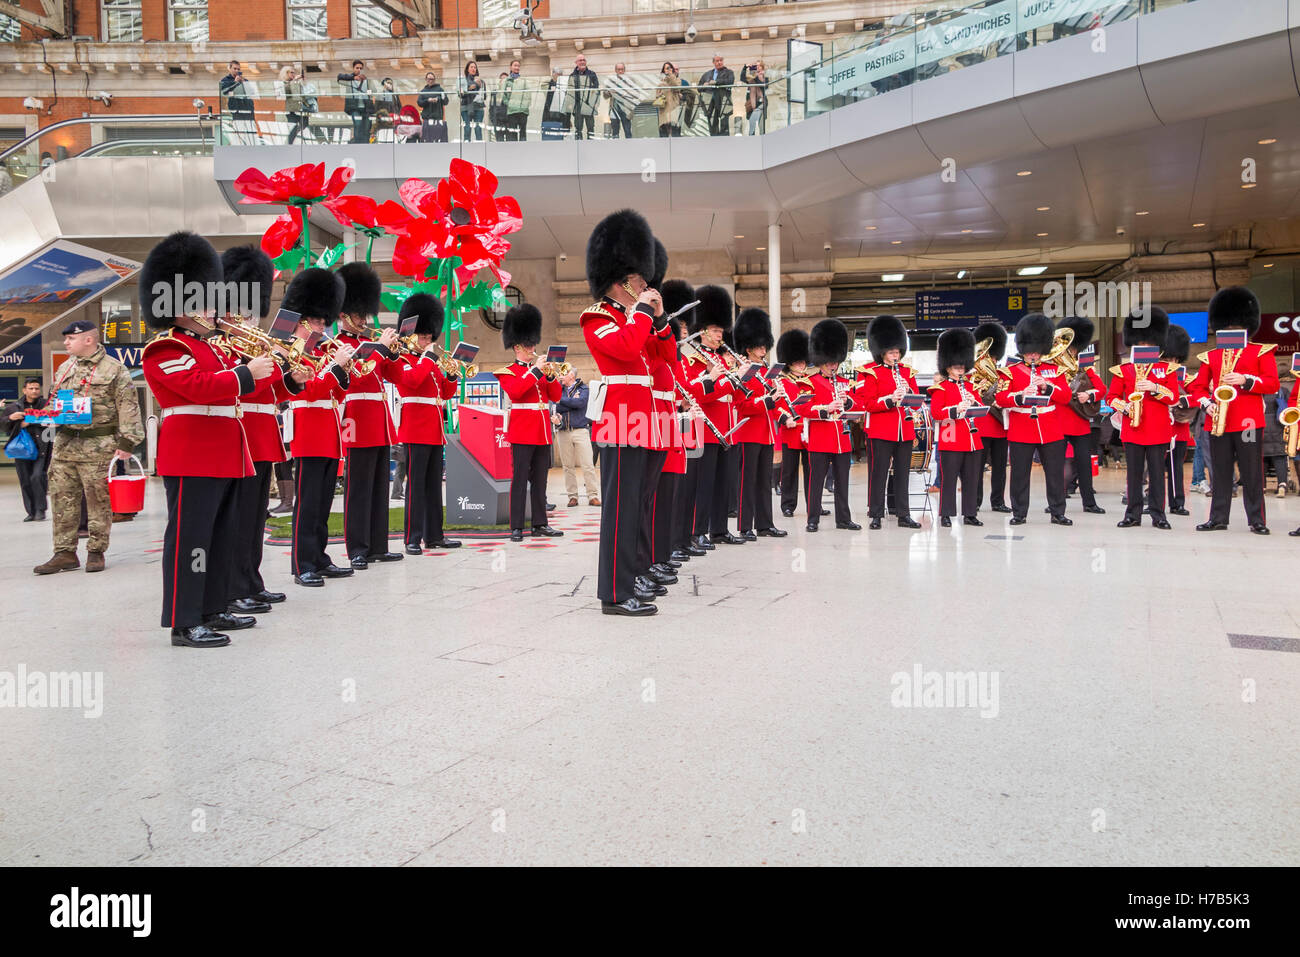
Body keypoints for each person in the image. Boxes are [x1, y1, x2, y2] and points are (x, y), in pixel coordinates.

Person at [139, 232, 272, 647]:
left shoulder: (211, 347)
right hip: (193, 452)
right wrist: (249, 373)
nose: (214, 310)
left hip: (225, 452)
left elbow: (236, 385)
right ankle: (184, 619)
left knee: (219, 536)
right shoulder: (164, 347)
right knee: (190, 539)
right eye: (204, 301)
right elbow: (199, 387)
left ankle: (213, 608)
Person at [580, 208, 667, 616]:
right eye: (638, 280)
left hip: (645, 422)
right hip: (620, 422)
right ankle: (613, 594)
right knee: (618, 511)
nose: (644, 285)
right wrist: (645, 314)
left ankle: (631, 577)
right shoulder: (596, 317)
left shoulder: (634, 317)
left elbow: (663, 355)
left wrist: (659, 319)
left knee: (637, 505)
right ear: (620, 282)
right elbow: (628, 349)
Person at [218, 246, 306, 614]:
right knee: (236, 518)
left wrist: (294, 379)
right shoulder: (219, 342)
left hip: (262, 431)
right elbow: (230, 383)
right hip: (238, 433)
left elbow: (271, 389)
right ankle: (231, 586)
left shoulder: (252, 339)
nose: (244, 316)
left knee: (256, 517)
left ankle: (252, 582)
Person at [33, 320, 144, 576]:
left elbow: (128, 406)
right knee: (62, 498)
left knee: (98, 501)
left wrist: (127, 443)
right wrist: (42, 415)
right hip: (65, 445)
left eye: (70, 339)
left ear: (88, 340)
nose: (65, 343)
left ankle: (96, 551)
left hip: (99, 446)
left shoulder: (115, 370)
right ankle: (64, 552)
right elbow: (55, 402)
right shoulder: (64, 367)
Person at [281, 269, 355, 587]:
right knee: (307, 502)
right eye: (317, 321)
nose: (322, 327)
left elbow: (336, 393)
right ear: (301, 321)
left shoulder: (318, 353)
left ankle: (320, 557)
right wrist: (335, 367)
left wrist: (343, 371)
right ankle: (302, 563)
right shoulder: (290, 351)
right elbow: (308, 390)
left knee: (323, 503)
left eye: (324, 322)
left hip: (327, 433)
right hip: (308, 433)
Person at [1188, 286, 1278, 534]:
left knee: (1252, 473)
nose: (1230, 330)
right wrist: (1207, 404)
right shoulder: (1211, 356)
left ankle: (1257, 520)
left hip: (1248, 421)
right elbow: (1196, 388)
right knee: (1219, 472)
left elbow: (1272, 383)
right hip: (1218, 421)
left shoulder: (1260, 351)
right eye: (1226, 326)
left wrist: (1246, 380)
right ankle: (1218, 518)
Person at [334, 263, 403, 568]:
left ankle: (377, 545)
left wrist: (394, 351)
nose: (364, 320)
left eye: (365, 314)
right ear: (343, 315)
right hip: (357, 419)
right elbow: (357, 378)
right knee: (358, 489)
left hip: (378, 419)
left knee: (378, 488)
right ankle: (357, 548)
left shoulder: (368, 344)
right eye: (358, 314)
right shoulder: (336, 345)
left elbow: (393, 374)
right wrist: (379, 351)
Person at [392, 294, 461, 554]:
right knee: (416, 487)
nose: (427, 341)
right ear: (410, 336)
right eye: (422, 337)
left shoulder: (428, 362)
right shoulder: (404, 360)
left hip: (433, 430)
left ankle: (435, 535)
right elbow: (412, 383)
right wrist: (429, 359)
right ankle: (412, 537)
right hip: (414, 429)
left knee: (433, 487)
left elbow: (444, 393)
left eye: (429, 337)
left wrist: (452, 375)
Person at [994, 313, 1072, 526]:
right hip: (1022, 427)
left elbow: (1065, 397)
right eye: (1029, 352)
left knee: (1055, 474)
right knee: (1020, 475)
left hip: (1050, 428)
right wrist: (1020, 396)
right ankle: (1019, 513)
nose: (1033, 355)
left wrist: (1048, 386)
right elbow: (1000, 398)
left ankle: (1058, 512)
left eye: (1036, 351)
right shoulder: (1009, 372)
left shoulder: (1055, 371)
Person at [496, 304, 564, 542]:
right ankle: (516, 526)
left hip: (542, 431)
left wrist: (552, 374)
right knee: (519, 480)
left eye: (533, 344)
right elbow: (516, 393)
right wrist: (535, 371)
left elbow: (555, 396)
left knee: (540, 481)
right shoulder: (507, 371)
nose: (532, 349)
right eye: (528, 345)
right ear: (516, 347)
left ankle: (539, 523)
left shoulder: (541, 371)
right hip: (522, 432)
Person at [685, 285, 745, 546]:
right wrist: (723, 380)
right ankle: (698, 530)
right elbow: (697, 395)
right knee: (705, 484)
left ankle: (720, 529)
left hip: (728, 428)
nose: (720, 335)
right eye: (716, 330)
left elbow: (736, 397)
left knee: (724, 484)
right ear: (703, 332)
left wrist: (742, 377)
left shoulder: (725, 360)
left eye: (722, 331)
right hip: (708, 430)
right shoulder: (694, 362)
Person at [1107, 307, 1176, 530]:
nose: (1144, 346)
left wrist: (1156, 387)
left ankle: (1159, 515)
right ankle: (1132, 515)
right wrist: (1124, 406)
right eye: (1141, 343)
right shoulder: (1124, 370)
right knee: (1134, 476)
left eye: (1149, 343)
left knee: (1157, 476)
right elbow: (1111, 397)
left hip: (1157, 430)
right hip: (1133, 429)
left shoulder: (1166, 369)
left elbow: (1173, 397)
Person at [856, 315, 922, 530]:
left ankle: (904, 514)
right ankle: (875, 513)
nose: (896, 355)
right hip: (881, 431)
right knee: (879, 474)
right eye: (891, 352)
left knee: (903, 475)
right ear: (882, 352)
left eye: (898, 351)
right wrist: (890, 400)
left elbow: (916, 401)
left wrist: (910, 394)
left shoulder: (907, 372)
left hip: (905, 430)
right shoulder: (870, 373)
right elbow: (869, 404)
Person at [732, 308, 792, 539]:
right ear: (748, 348)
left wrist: (781, 406)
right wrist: (767, 401)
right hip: (748, 433)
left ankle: (765, 524)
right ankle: (745, 526)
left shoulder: (768, 373)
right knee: (747, 483)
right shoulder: (742, 371)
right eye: (759, 347)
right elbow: (742, 406)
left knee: (764, 483)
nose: (763, 350)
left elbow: (772, 407)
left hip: (766, 434)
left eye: (764, 346)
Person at [803, 319, 859, 531]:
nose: (833, 365)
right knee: (816, 483)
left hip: (842, 440)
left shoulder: (845, 383)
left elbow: (858, 405)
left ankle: (843, 519)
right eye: (829, 362)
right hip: (820, 439)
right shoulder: (810, 383)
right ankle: (812, 519)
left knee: (842, 483)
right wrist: (825, 408)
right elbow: (803, 409)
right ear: (821, 361)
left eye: (835, 362)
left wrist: (848, 402)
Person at [928, 328, 984, 528]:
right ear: (948, 367)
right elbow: (936, 414)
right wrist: (955, 409)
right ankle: (946, 513)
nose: (960, 368)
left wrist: (974, 404)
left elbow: (981, 411)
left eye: (962, 365)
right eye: (956, 365)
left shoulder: (971, 387)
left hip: (972, 440)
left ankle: (970, 514)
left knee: (971, 480)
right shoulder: (940, 388)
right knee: (948, 481)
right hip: (951, 440)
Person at [1055, 316, 1106, 515]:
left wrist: (1089, 394)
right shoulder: (1053, 365)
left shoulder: (1085, 366)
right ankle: (1056, 502)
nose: (1071, 351)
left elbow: (1102, 389)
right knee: (1056, 465)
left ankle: (1089, 502)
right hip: (1059, 420)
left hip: (1079, 422)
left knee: (1084, 464)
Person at [972, 321, 1010, 514]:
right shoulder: (973, 375)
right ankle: (975, 501)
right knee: (977, 468)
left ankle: (998, 501)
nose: (991, 361)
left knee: (1000, 468)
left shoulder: (1003, 373)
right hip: (981, 425)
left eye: (993, 357)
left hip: (1001, 426)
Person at [775, 330, 813, 520]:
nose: (802, 366)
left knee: (812, 471)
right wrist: (785, 419)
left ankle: (813, 504)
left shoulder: (809, 382)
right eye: (798, 363)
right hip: (791, 430)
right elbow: (778, 405)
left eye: (803, 362)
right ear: (789, 364)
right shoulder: (781, 382)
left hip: (808, 431)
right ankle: (788, 504)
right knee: (789, 471)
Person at [4, 376, 49, 521]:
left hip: (42, 447)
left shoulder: (46, 405)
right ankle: (31, 511)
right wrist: (12, 418)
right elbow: (3, 425)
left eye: (37, 388)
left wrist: (29, 423)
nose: (34, 391)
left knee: (37, 477)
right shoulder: (14, 407)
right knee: (25, 480)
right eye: (31, 388)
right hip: (21, 449)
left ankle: (40, 510)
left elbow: (53, 422)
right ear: (24, 389)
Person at [553, 368, 599, 507]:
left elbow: (580, 404)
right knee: (567, 466)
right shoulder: (558, 388)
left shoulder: (584, 388)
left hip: (581, 430)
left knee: (588, 465)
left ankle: (593, 496)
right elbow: (556, 406)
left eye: (564, 374)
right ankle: (572, 496)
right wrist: (570, 402)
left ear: (571, 375)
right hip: (563, 431)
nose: (561, 377)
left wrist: (562, 401)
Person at [1162, 324, 1195, 515]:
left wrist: (1180, 400)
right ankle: (1155, 502)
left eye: (1173, 358)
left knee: (1176, 470)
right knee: (1155, 469)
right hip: (1158, 428)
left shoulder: (1186, 378)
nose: (1171, 361)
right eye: (1167, 358)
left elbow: (1196, 397)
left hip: (1179, 431)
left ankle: (1177, 503)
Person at [337, 59, 374, 145]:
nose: (359, 70)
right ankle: (358, 144)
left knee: (367, 127)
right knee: (357, 124)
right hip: (354, 107)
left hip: (366, 108)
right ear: (353, 68)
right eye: (357, 68)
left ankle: (365, 144)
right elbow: (339, 77)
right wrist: (353, 77)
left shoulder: (366, 80)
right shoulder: (349, 79)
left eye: (361, 68)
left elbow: (373, 91)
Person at [220, 60, 256, 145]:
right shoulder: (225, 80)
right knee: (239, 131)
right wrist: (235, 82)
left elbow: (252, 92)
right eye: (234, 68)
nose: (236, 71)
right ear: (229, 69)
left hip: (247, 108)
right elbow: (224, 91)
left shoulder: (244, 80)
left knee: (251, 131)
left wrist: (244, 83)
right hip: (236, 109)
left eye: (238, 69)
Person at [698, 53, 735, 136]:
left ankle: (725, 143)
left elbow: (730, 82)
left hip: (723, 101)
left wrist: (716, 82)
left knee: (724, 125)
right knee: (712, 125)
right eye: (717, 61)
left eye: (721, 60)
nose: (719, 62)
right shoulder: (707, 74)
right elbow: (699, 88)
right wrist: (703, 86)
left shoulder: (729, 72)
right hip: (710, 103)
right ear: (713, 62)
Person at [569, 54, 600, 140]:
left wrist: (595, 104)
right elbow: (570, 91)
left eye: (584, 60)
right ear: (576, 63)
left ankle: (591, 147)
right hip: (577, 106)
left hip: (589, 105)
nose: (582, 62)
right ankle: (579, 148)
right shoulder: (572, 76)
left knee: (591, 128)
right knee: (578, 129)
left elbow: (596, 89)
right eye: (580, 60)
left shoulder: (592, 74)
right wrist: (571, 107)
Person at [656, 61, 691, 137]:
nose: (668, 70)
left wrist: (671, 75)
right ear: (663, 71)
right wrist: (660, 94)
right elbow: (657, 96)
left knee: (675, 133)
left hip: (673, 110)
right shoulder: (661, 82)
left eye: (670, 68)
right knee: (664, 134)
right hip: (664, 110)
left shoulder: (677, 80)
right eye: (666, 68)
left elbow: (676, 88)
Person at [500, 60, 532, 141]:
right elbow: (502, 95)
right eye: (515, 65)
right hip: (512, 111)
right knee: (512, 133)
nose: (517, 67)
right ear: (511, 67)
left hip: (523, 111)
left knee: (523, 133)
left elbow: (528, 95)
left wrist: (524, 106)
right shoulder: (506, 81)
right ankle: (513, 151)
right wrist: (510, 104)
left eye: (518, 66)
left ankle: (523, 151)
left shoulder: (524, 80)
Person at [603, 62, 636, 138]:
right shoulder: (611, 81)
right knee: (615, 132)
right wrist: (609, 92)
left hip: (626, 108)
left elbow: (636, 94)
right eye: (618, 69)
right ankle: (615, 148)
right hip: (614, 108)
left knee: (627, 131)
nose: (620, 71)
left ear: (624, 70)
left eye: (622, 69)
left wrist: (627, 92)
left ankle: (629, 147)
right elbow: (605, 95)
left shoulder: (630, 80)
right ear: (615, 70)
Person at [417, 71, 449, 143]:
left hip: (438, 118)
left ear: (434, 80)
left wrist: (438, 99)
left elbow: (446, 101)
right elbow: (419, 103)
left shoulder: (440, 89)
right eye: (428, 79)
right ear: (426, 80)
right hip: (426, 119)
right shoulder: (423, 91)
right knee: (427, 139)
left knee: (438, 138)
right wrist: (427, 100)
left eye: (432, 79)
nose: (430, 81)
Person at [281, 66, 309, 145]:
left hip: (299, 108)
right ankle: (289, 143)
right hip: (291, 110)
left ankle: (291, 141)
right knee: (293, 127)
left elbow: (300, 94)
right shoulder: (285, 82)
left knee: (305, 123)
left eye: (294, 72)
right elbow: (286, 90)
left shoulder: (295, 82)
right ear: (287, 73)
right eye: (291, 72)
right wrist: (294, 80)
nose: (293, 74)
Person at [740, 60, 768, 135]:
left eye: (759, 66)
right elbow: (742, 78)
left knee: (761, 124)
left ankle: (762, 140)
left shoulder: (765, 77)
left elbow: (765, 86)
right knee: (751, 124)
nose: (757, 67)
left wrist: (759, 76)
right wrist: (745, 68)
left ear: (762, 68)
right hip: (751, 103)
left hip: (761, 103)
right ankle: (751, 141)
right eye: (756, 66)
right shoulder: (751, 78)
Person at [460, 61, 485, 141]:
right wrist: (468, 89)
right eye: (471, 67)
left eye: (475, 67)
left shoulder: (481, 81)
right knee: (467, 129)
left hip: (478, 107)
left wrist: (480, 86)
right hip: (466, 107)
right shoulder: (463, 81)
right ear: (467, 69)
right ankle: (466, 149)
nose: (473, 69)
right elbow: (461, 95)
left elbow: (484, 96)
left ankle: (479, 149)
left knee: (478, 129)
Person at [374, 77, 403, 142]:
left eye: (391, 83)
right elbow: (376, 108)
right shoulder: (380, 95)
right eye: (388, 83)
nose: (390, 85)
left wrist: (399, 116)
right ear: (384, 84)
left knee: (393, 137)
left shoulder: (395, 95)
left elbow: (399, 107)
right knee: (383, 137)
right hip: (384, 120)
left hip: (394, 120)